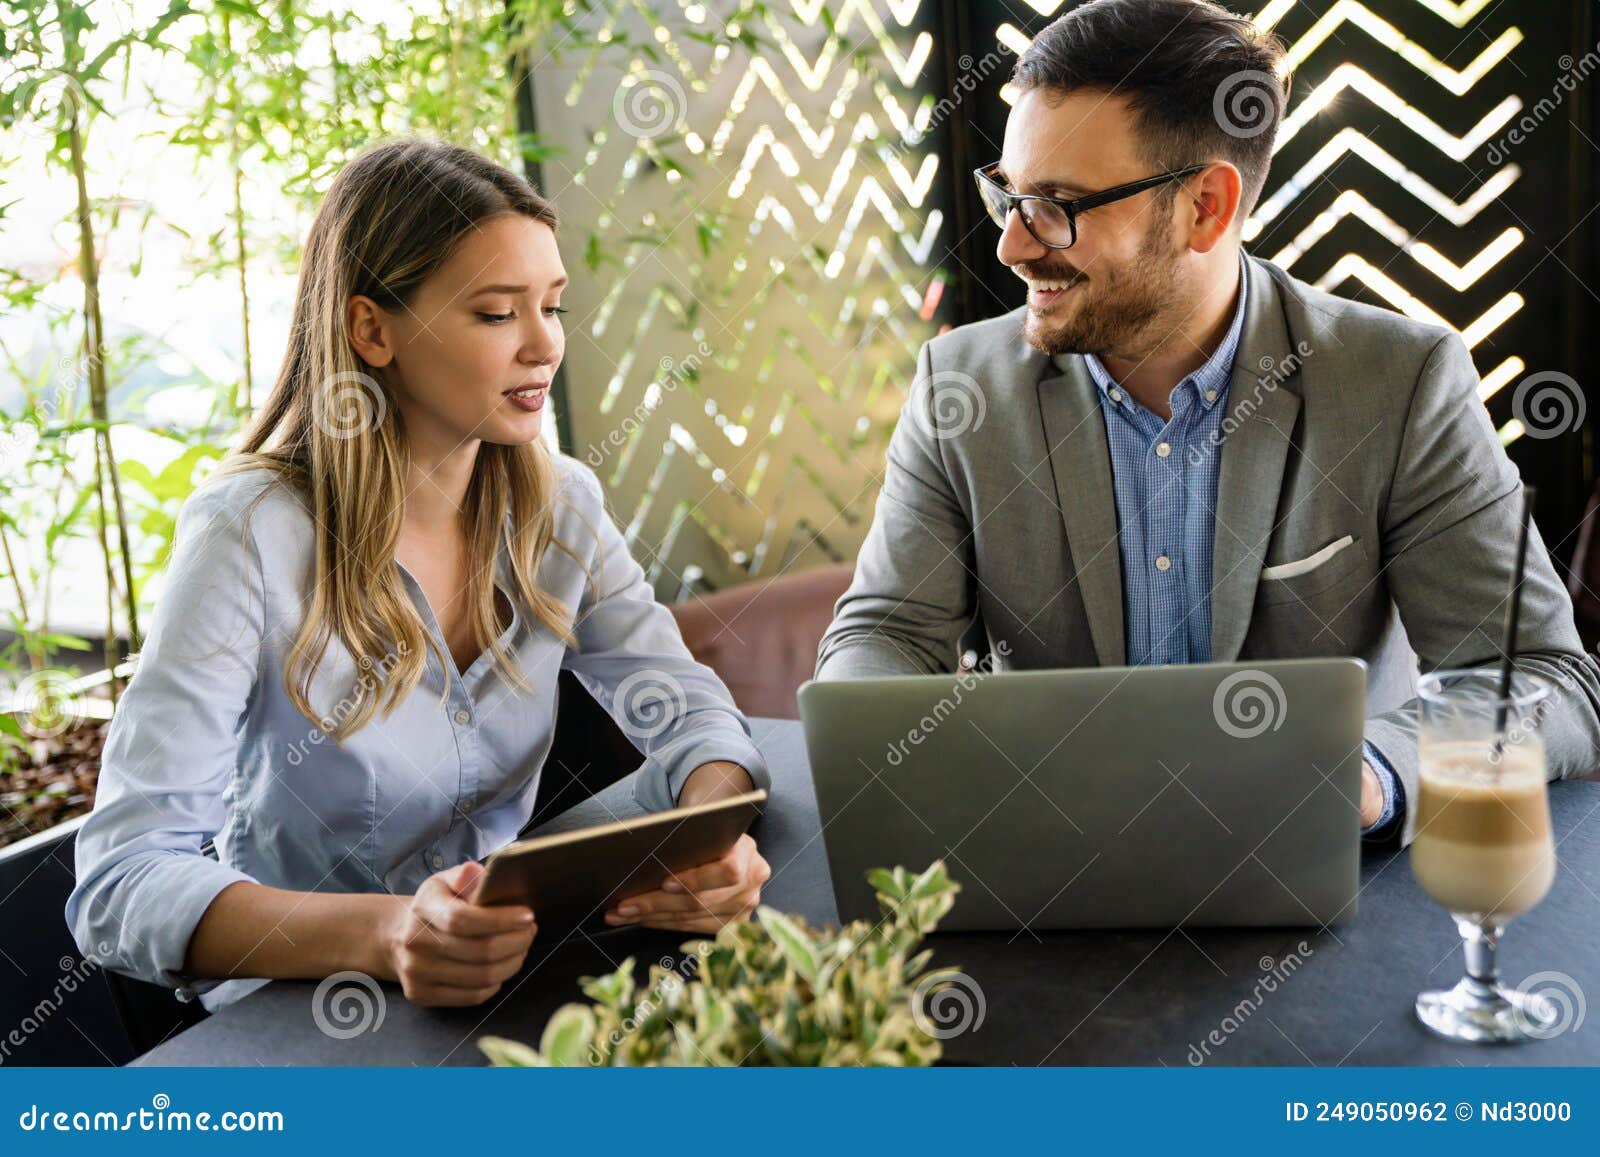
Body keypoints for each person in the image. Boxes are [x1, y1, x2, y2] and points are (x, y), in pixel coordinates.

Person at [815, 0, 1600, 846]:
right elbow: (886, 633)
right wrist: (888, 744)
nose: (1012, 244)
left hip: (1324, 890)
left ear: (1206, 207)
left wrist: (1371, 776)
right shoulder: (958, 389)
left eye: (1057, 205)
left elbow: (1544, 681)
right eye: (1007, 193)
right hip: (1053, 877)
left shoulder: (1399, 383)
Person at [68, 138, 772, 1012]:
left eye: (552, 306)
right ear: (372, 328)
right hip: (299, 1019)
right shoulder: (246, 535)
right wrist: (392, 930)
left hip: (507, 988)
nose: (543, 345)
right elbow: (121, 879)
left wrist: (710, 843)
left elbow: (693, 713)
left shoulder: (564, 507)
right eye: (495, 313)